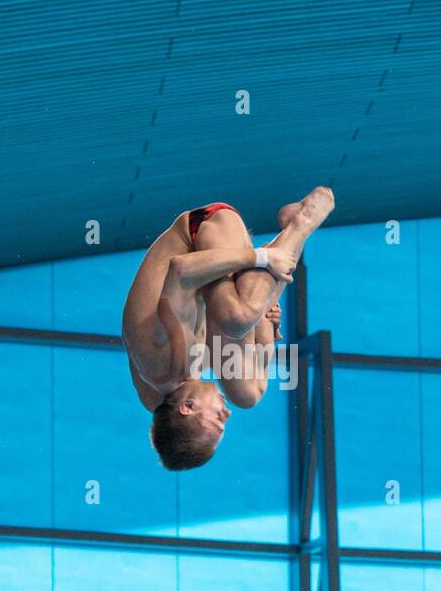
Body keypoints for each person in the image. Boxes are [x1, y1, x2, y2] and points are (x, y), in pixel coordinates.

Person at [122, 186, 335, 470]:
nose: (227, 414)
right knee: (248, 393)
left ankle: (302, 222)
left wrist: (260, 258)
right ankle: (271, 285)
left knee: (237, 317)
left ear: (188, 408)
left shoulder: (165, 361)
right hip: (207, 282)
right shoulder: (166, 400)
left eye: (218, 419)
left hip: (202, 232)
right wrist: (264, 331)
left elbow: (181, 271)